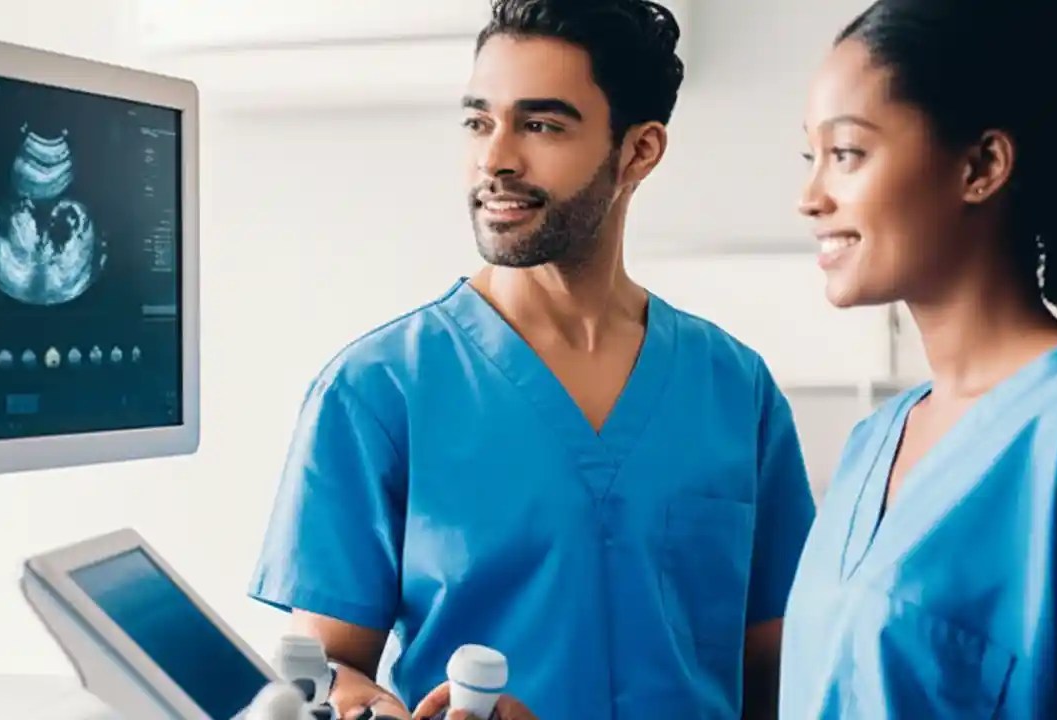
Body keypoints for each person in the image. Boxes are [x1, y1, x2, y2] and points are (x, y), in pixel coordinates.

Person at [250, 1, 816, 718]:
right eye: (479, 121)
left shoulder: (736, 390)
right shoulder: (375, 390)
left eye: (542, 125)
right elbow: (332, 667)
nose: (496, 159)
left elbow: (776, 667)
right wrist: (370, 709)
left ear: (638, 151)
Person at [781, 0, 1057, 717]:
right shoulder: (873, 443)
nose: (809, 198)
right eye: (812, 157)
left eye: (847, 154)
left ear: (981, 165)